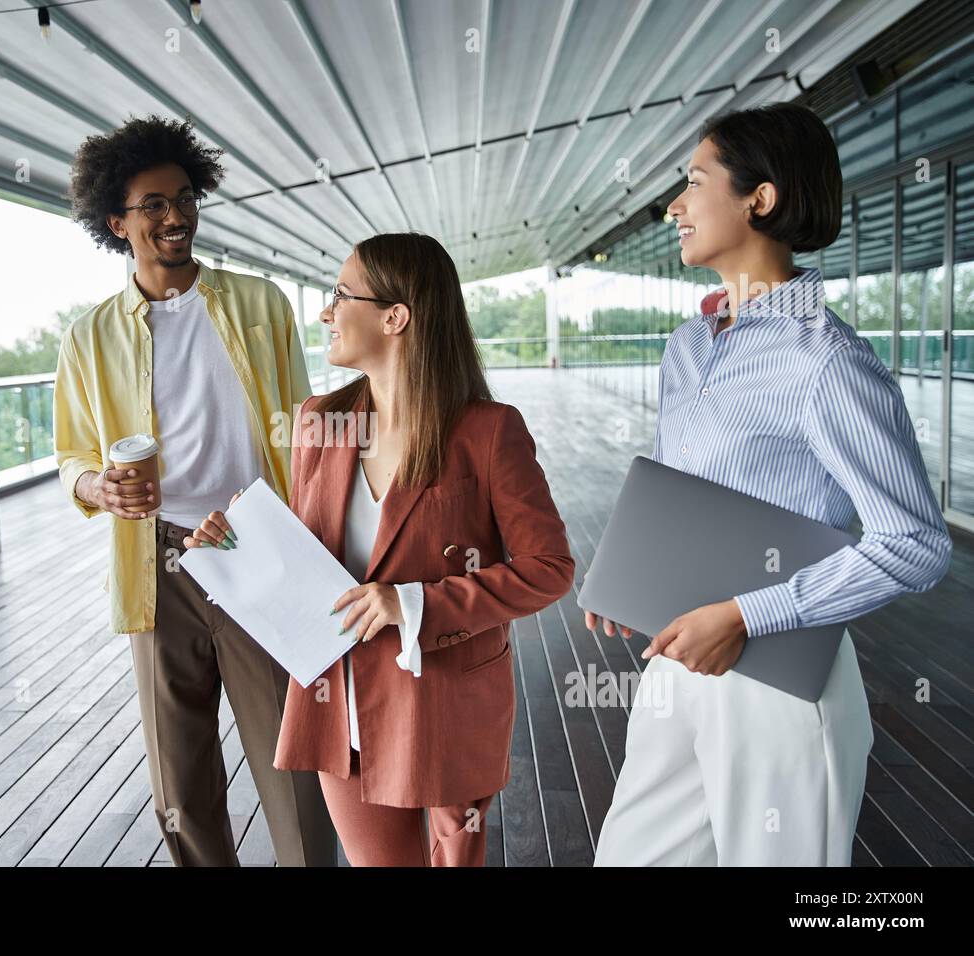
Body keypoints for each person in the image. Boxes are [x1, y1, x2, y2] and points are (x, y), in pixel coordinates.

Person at [589, 103, 952, 866]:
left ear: (761, 198)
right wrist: (639, 585)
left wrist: (748, 615)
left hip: (780, 686)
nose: (674, 207)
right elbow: (681, 498)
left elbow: (916, 544)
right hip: (678, 660)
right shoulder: (687, 347)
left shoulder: (826, 360)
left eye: (693, 183)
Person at [185, 233, 575, 866]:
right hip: (338, 705)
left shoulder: (487, 431)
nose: (325, 311)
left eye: (341, 295)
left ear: (396, 317)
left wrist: (414, 603)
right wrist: (233, 549)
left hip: (445, 705)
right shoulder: (318, 422)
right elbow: (309, 553)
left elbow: (549, 569)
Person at [53, 114, 336, 866]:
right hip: (157, 562)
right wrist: (97, 486)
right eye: (153, 205)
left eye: (183, 198)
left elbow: (300, 425)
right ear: (117, 221)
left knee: (294, 761)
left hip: (257, 544)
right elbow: (70, 454)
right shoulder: (89, 337)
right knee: (180, 776)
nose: (175, 217)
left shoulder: (259, 303)